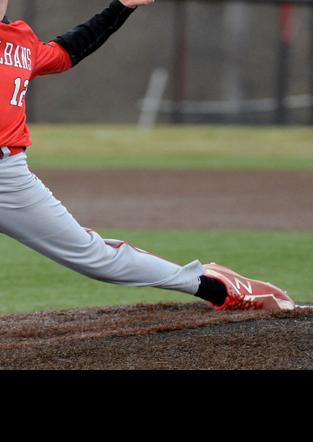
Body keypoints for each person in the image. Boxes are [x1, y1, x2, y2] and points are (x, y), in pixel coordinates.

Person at [0, 0, 295, 312]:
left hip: (9, 178)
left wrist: (120, 8)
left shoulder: (20, 40)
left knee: (94, 258)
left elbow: (64, 52)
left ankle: (215, 287)